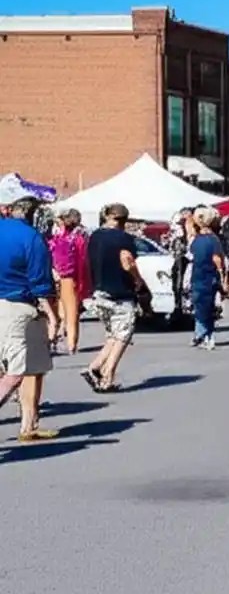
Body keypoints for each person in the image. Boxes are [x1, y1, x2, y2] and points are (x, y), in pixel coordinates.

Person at [0, 188, 58, 441]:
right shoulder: (32, 238)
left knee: (32, 364)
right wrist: (54, 317)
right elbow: (41, 283)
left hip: (13, 305)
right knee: (16, 371)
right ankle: (27, 423)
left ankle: (29, 424)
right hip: (19, 306)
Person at [84, 203, 144, 393]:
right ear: (125, 220)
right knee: (123, 335)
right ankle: (107, 375)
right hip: (119, 293)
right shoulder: (124, 239)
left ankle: (95, 367)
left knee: (112, 334)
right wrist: (138, 279)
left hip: (99, 292)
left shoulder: (94, 236)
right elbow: (127, 260)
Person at [47, 207, 91, 354]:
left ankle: (68, 341)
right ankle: (68, 340)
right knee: (68, 311)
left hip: (64, 277)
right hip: (68, 277)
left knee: (67, 311)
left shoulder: (65, 239)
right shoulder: (79, 237)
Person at [189, 206, 229, 349]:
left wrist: (222, 276)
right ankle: (203, 334)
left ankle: (204, 334)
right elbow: (218, 259)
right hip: (205, 276)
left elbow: (216, 259)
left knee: (203, 306)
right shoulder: (212, 239)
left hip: (204, 277)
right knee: (202, 306)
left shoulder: (200, 239)